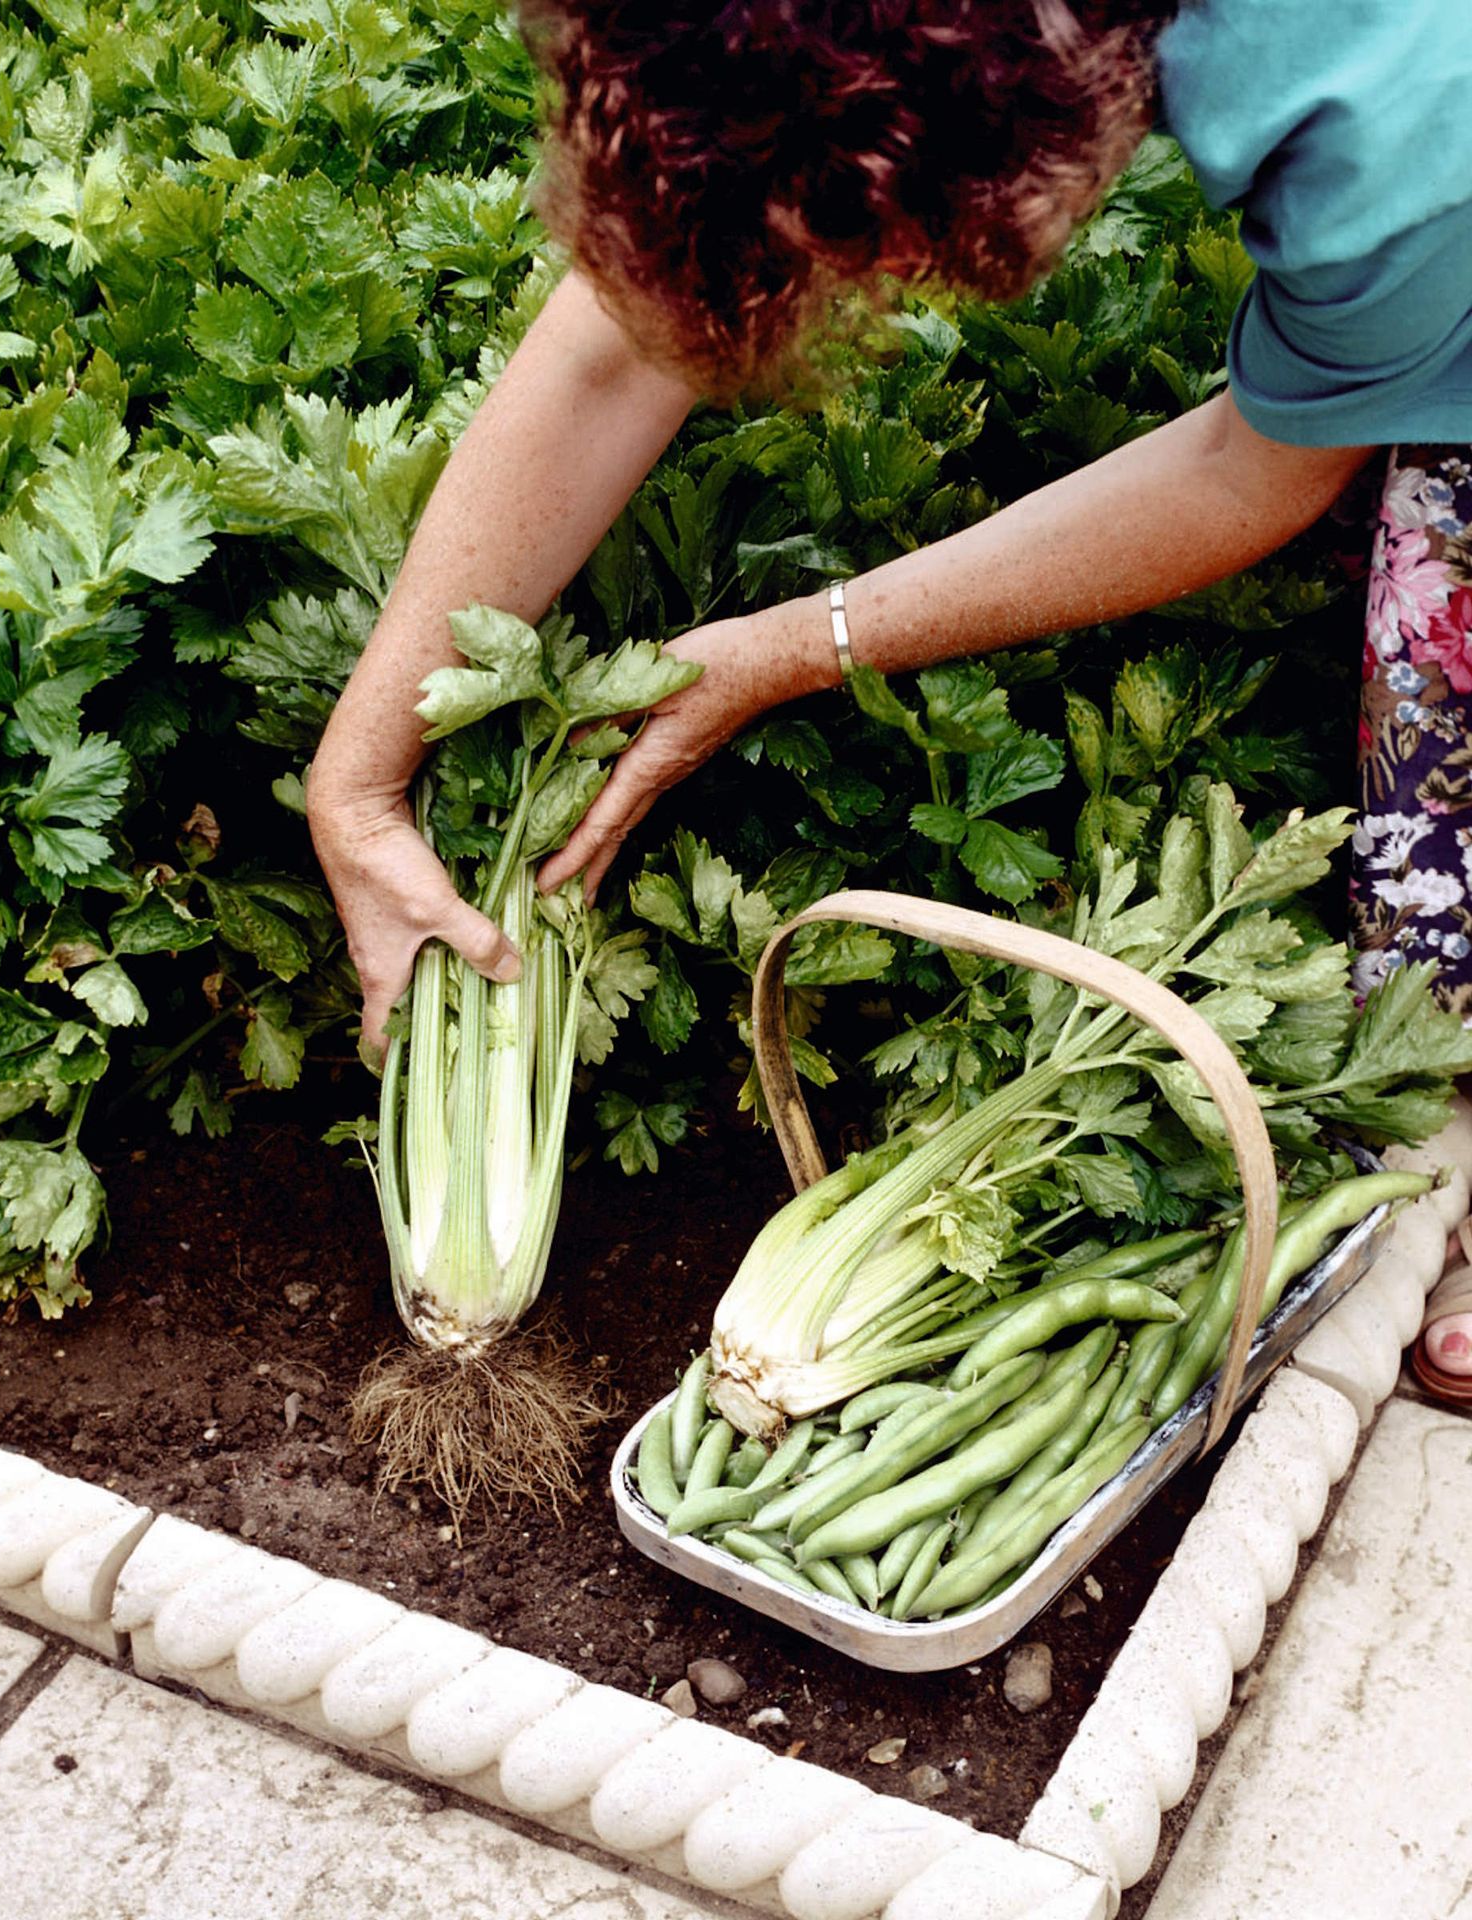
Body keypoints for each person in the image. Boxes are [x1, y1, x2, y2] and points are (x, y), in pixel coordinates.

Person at [307, 0, 1472, 1398]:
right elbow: (629, 334)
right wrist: (359, 775)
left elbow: (1252, 468)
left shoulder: (1385, 131)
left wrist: (807, 642)